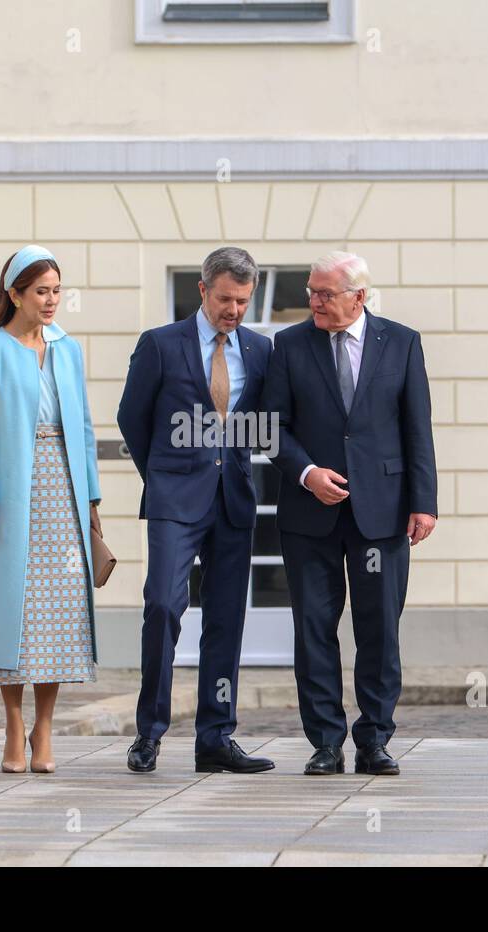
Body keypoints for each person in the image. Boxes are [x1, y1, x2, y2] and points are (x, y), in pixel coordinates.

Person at [262, 252, 437, 776]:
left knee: (379, 627)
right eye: (311, 291)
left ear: (358, 296)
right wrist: (306, 472)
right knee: (314, 627)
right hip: (308, 512)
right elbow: (270, 426)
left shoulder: (401, 342)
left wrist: (424, 502)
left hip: (382, 514)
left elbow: (417, 428)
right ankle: (324, 742)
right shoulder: (289, 345)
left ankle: (375, 740)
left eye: (324, 293)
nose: (313, 301)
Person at [116, 247, 275, 774]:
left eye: (243, 301)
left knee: (226, 621)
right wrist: (163, 475)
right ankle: (149, 733)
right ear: (203, 290)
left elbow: (266, 421)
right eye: (226, 298)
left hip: (233, 500)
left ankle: (215, 737)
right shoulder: (160, 344)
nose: (234, 310)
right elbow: (132, 418)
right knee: (163, 605)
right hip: (174, 501)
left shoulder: (259, 349)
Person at [0, 245, 102, 774]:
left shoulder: (69, 349)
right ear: (15, 294)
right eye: (42, 291)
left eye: (57, 290)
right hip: (11, 491)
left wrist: (93, 500)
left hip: (64, 489)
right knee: (10, 611)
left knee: (58, 614)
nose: (52, 300)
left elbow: (81, 427)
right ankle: (14, 725)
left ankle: (46, 729)